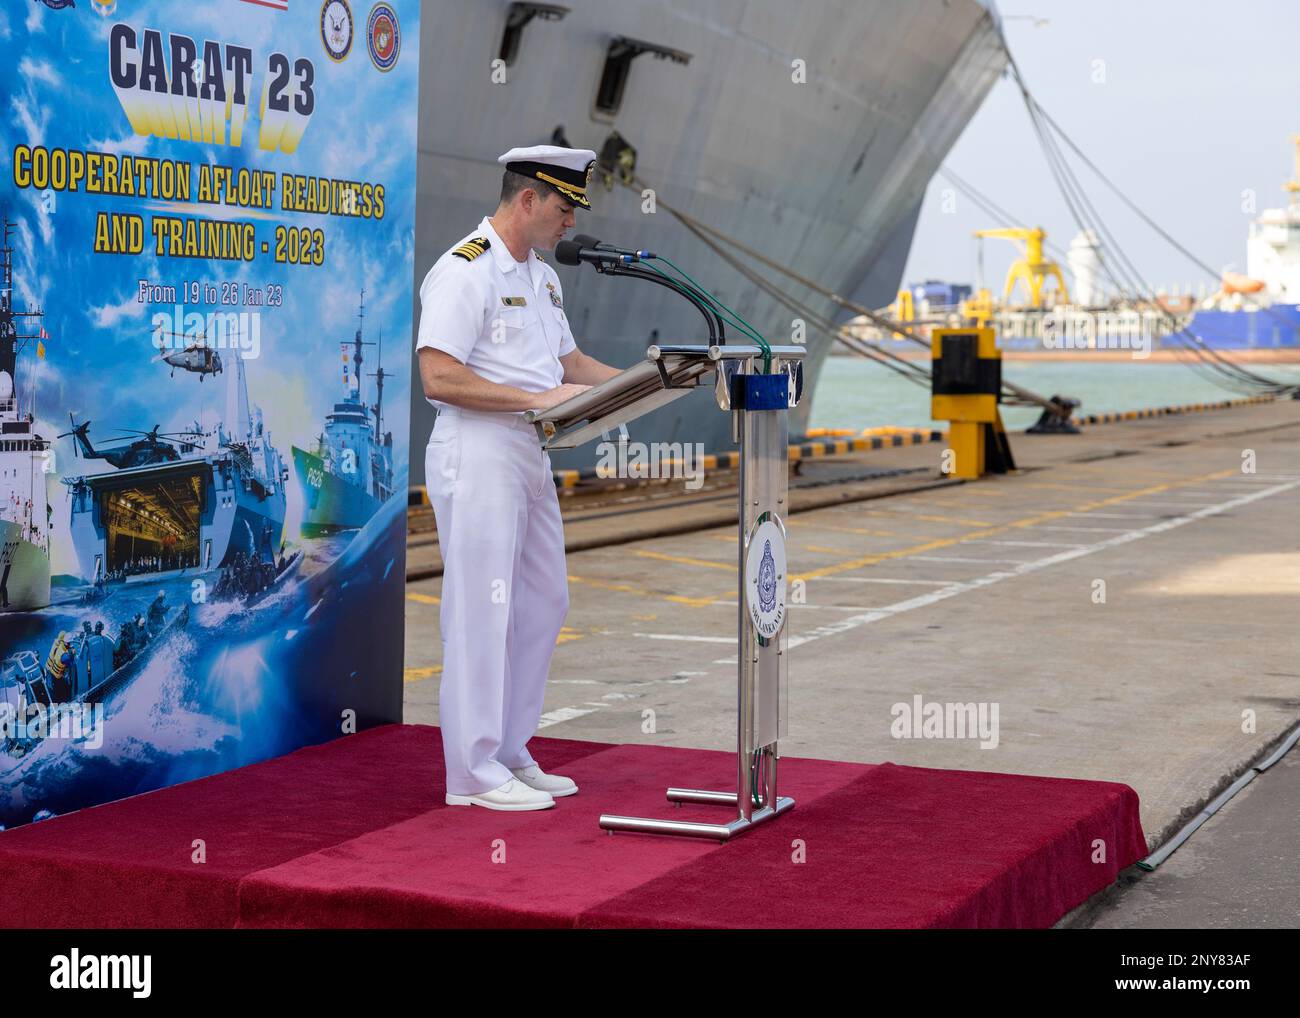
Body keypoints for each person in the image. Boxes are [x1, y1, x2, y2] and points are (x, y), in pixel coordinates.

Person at [416, 144, 622, 812]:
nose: (569, 223)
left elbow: (570, 363)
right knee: (482, 608)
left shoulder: (542, 278)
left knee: (544, 599)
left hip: (530, 451)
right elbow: (438, 375)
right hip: (478, 450)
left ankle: (509, 750)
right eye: (563, 209)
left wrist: (646, 382)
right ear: (528, 199)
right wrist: (538, 400)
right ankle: (471, 774)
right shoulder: (464, 270)